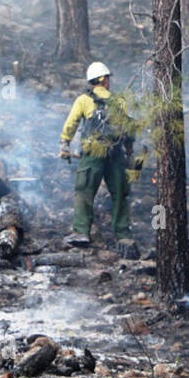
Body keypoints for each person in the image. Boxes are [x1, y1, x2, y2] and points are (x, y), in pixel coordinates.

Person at [59, 61, 138, 249]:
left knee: (85, 190)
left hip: (92, 153)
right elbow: (129, 129)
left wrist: (65, 144)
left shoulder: (83, 100)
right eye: (108, 78)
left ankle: (81, 231)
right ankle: (123, 235)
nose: (109, 81)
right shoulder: (120, 101)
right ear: (104, 80)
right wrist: (129, 151)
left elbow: (71, 124)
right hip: (116, 154)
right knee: (120, 194)